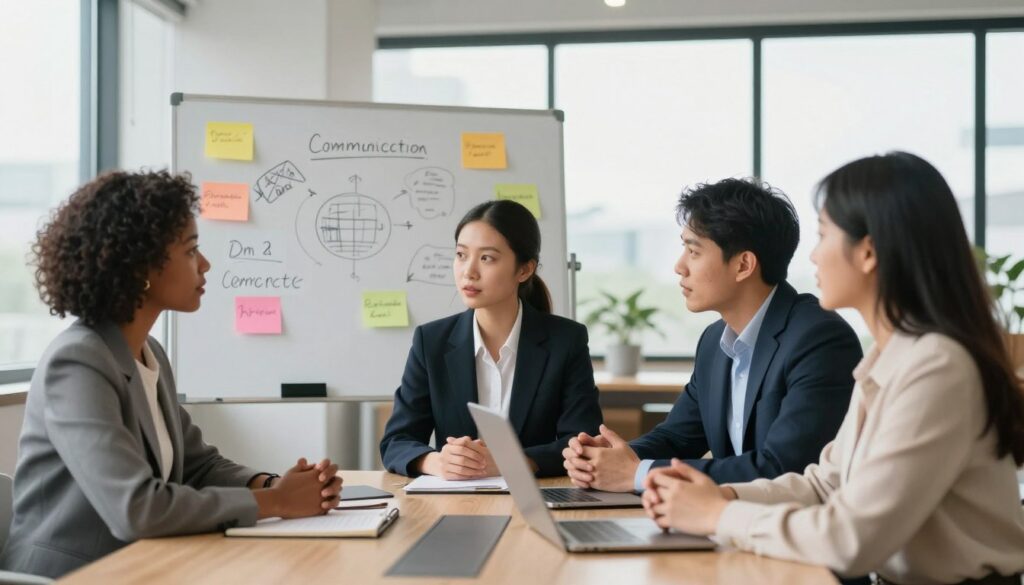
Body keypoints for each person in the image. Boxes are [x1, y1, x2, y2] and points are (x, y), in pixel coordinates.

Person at [642, 152, 1024, 584]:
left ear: (868, 252)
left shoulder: (939, 367)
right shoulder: (893, 355)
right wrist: (720, 494)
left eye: (824, 234)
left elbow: (851, 539)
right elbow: (826, 484)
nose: (814, 256)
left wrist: (720, 514)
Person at [0, 170, 343, 579]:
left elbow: (198, 467)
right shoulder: (77, 363)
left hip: (141, 565)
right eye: (190, 250)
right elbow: (137, 509)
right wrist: (279, 503)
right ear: (141, 266)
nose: (205, 264)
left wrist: (272, 485)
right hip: (74, 576)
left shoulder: (148, 353)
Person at [563, 178, 862, 491]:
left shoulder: (819, 340)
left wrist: (638, 474)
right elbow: (677, 438)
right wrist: (607, 458)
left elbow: (784, 467)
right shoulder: (714, 341)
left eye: (694, 251)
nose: (679, 266)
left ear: (743, 264)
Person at [380, 200, 602, 478]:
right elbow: (396, 442)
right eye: (461, 255)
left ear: (524, 270)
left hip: (538, 499)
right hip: (456, 503)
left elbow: (583, 442)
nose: (468, 271)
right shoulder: (431, 341)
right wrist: (436, 462)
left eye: (487, 258)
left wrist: (512, 462)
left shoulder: (566, 341)